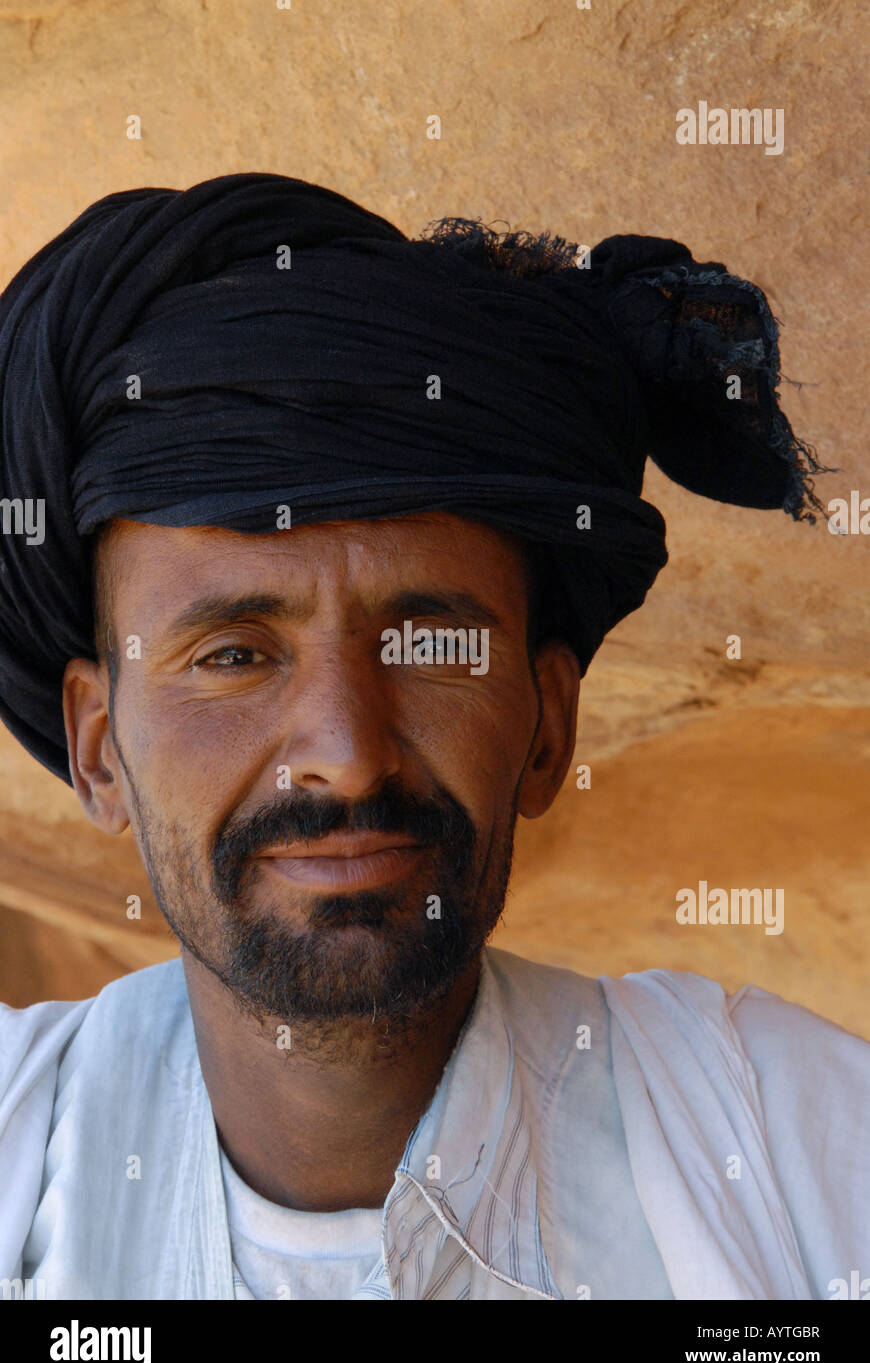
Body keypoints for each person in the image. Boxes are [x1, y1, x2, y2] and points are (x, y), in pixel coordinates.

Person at [0, 173, 866, 1302]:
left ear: (548, 725)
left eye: (431, 646)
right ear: (100, 746)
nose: (348, 753)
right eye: (234, 655)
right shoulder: (26, 1162)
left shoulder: (788, 1149)